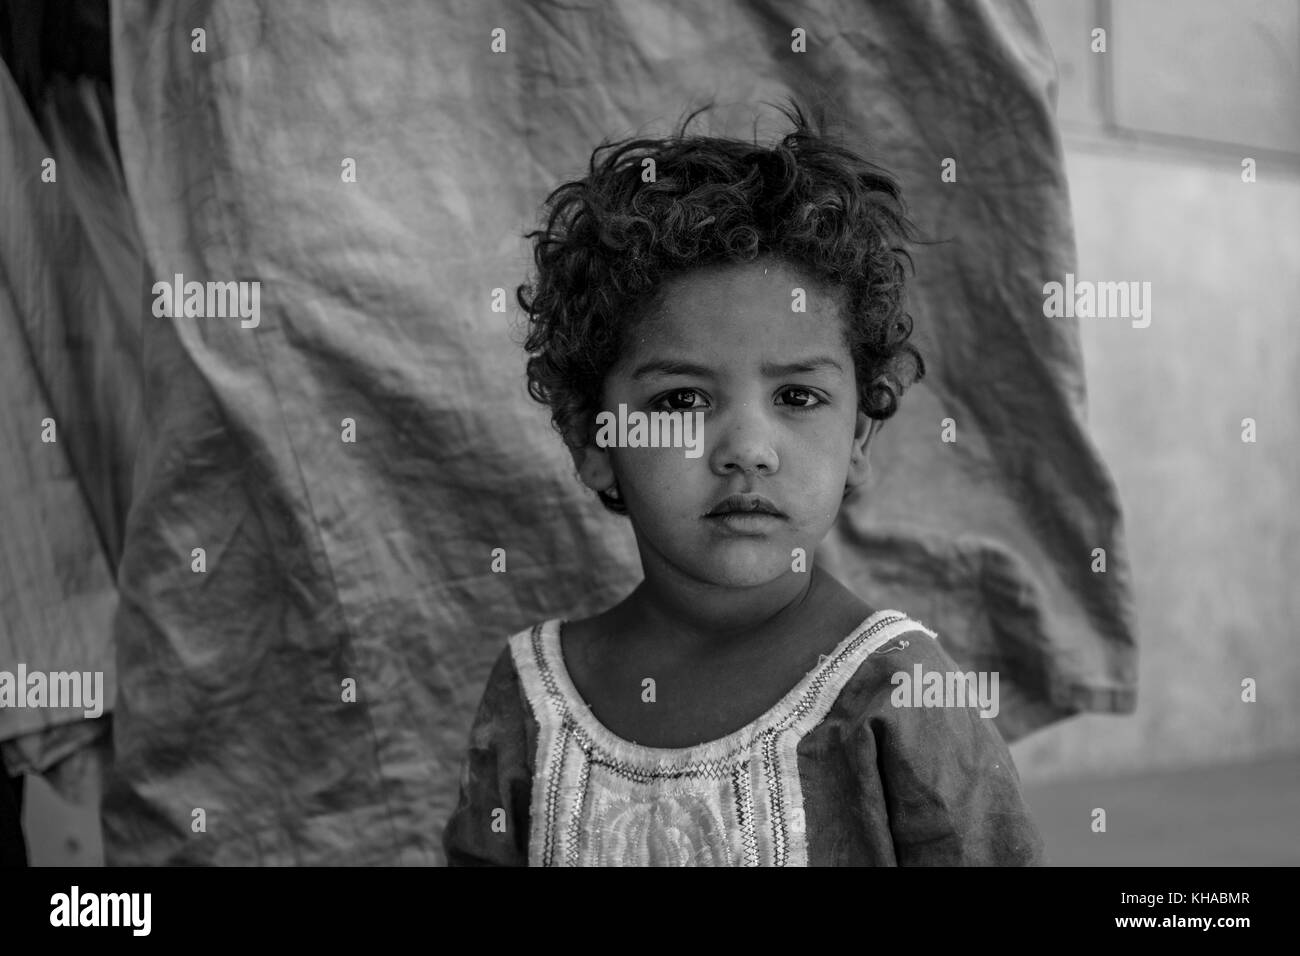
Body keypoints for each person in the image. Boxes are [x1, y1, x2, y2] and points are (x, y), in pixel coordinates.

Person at [443, 101, 1045, 866]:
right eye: (682, 401)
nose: (749, 451)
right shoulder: (533, 695)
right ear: (594, 441)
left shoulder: (900, 693)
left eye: (797, 397)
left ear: (858, 439)